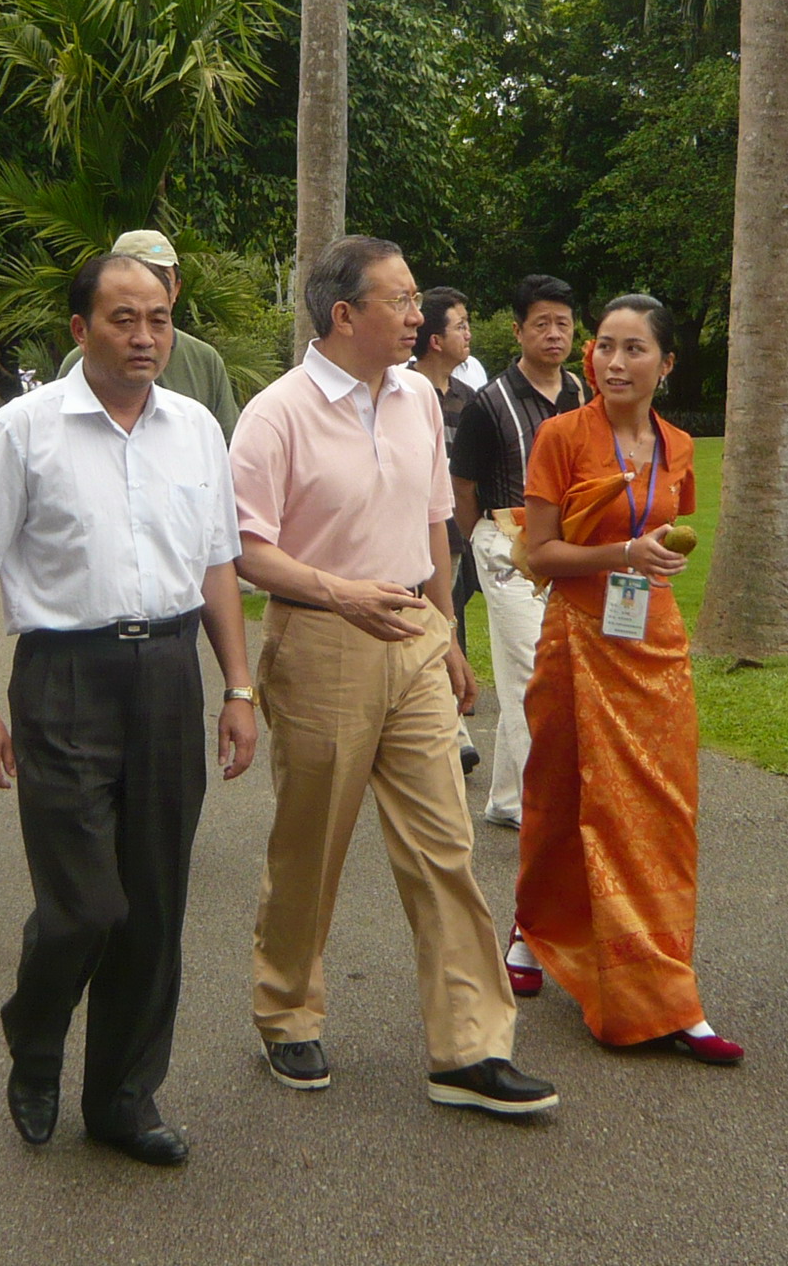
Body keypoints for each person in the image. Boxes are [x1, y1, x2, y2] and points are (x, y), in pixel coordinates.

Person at [0, 254, 260, 1166]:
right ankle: (35, 1038)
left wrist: (235, 685)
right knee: (84, 904)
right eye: (123, 318)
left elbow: (216, 565)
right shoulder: (22, 430)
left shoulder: (196, 427)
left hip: (167, 672)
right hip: (63, 678)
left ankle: (123, 1096)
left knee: (154, 903)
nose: (143, 337)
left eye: (157, 318)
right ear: (79, 329)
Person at [231, 234, 557, 1119]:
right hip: (320, 641)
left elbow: (432, 529)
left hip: (412, 637)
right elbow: (244, 548)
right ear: (345, 315)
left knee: (443, 846)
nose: (422, 315)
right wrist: (339, 593)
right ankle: (285, 1008)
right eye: (403, 300)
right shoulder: (276, 413)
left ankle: (470, 1047)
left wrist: (444, 635)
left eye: (418, 300)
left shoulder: (418, 397)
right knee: (313, 846)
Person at [511, 294, 742, 1064]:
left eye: (634, 348)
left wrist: (651, 557)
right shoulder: (560, 436)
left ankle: (662, 979)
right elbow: (537, 554)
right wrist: (623, 555)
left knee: (661, 811)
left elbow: (672, 533)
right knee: (561, 792)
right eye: (604, 345)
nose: (614, 361)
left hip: (653, 640)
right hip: (577, 636)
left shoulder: (677, 445)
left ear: (666, 363)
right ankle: (535, 927)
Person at [449, 273, 585, 828]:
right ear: (518, 331)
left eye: (563, 324)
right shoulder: (490, 403)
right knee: (536, 670)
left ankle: (509, 798)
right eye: (542, 324)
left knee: (535, 662)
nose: (554, 334)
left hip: (561, 543)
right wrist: (482, 546)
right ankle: (548, 807)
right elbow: (463, 487)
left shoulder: (579, 391)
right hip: (503, 540)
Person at [57, 230, 239, 440]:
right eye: (124, 321)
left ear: (177, 288)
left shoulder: (204, 362)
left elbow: (227, 444)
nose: (143, 340)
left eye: (161, 276)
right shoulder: (78, 362)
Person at [407, 285, 482, 777]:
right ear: (435, 340)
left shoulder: (471, 400)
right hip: (410, 540)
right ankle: (452, 732)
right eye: (460, 325)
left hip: (457, 536)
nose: (468, 332)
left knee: (443, 625)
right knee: (432, 627)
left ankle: (448, 723)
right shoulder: (401, 393)